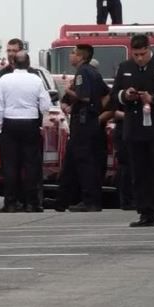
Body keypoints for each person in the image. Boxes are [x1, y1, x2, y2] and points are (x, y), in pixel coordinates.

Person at [110, 34, 154, 227]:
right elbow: (114, 95)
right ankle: (146, 213)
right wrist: (126, 95)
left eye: (143, 54)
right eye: (136, 54)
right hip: (134, 126)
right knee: (139, 172)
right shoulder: (125, 68)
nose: (140, 58)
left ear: (149, 49)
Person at [0, 51, 50, 213]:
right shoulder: (36, 80)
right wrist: (40, 120)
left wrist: (0, 126)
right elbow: (45, 105)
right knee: (31, 164)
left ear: (14, 63)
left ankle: (10, 202)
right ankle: (31, 203)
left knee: (10, 165)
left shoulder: (4, 80)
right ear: (28, 64)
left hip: (9, 123)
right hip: (30, 123)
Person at [58, 44, 108, 212]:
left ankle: (90, 200)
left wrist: (68, 91)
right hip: (90, 121)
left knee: (84, 162)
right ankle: (63, 200)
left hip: (84, 122)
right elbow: (106, 93)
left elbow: (84, 97)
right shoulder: (94, 73)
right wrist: (99, 109)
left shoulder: (83, 72)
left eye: (73, 53)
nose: (71, 56)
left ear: (80, 56)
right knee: (72, 162)